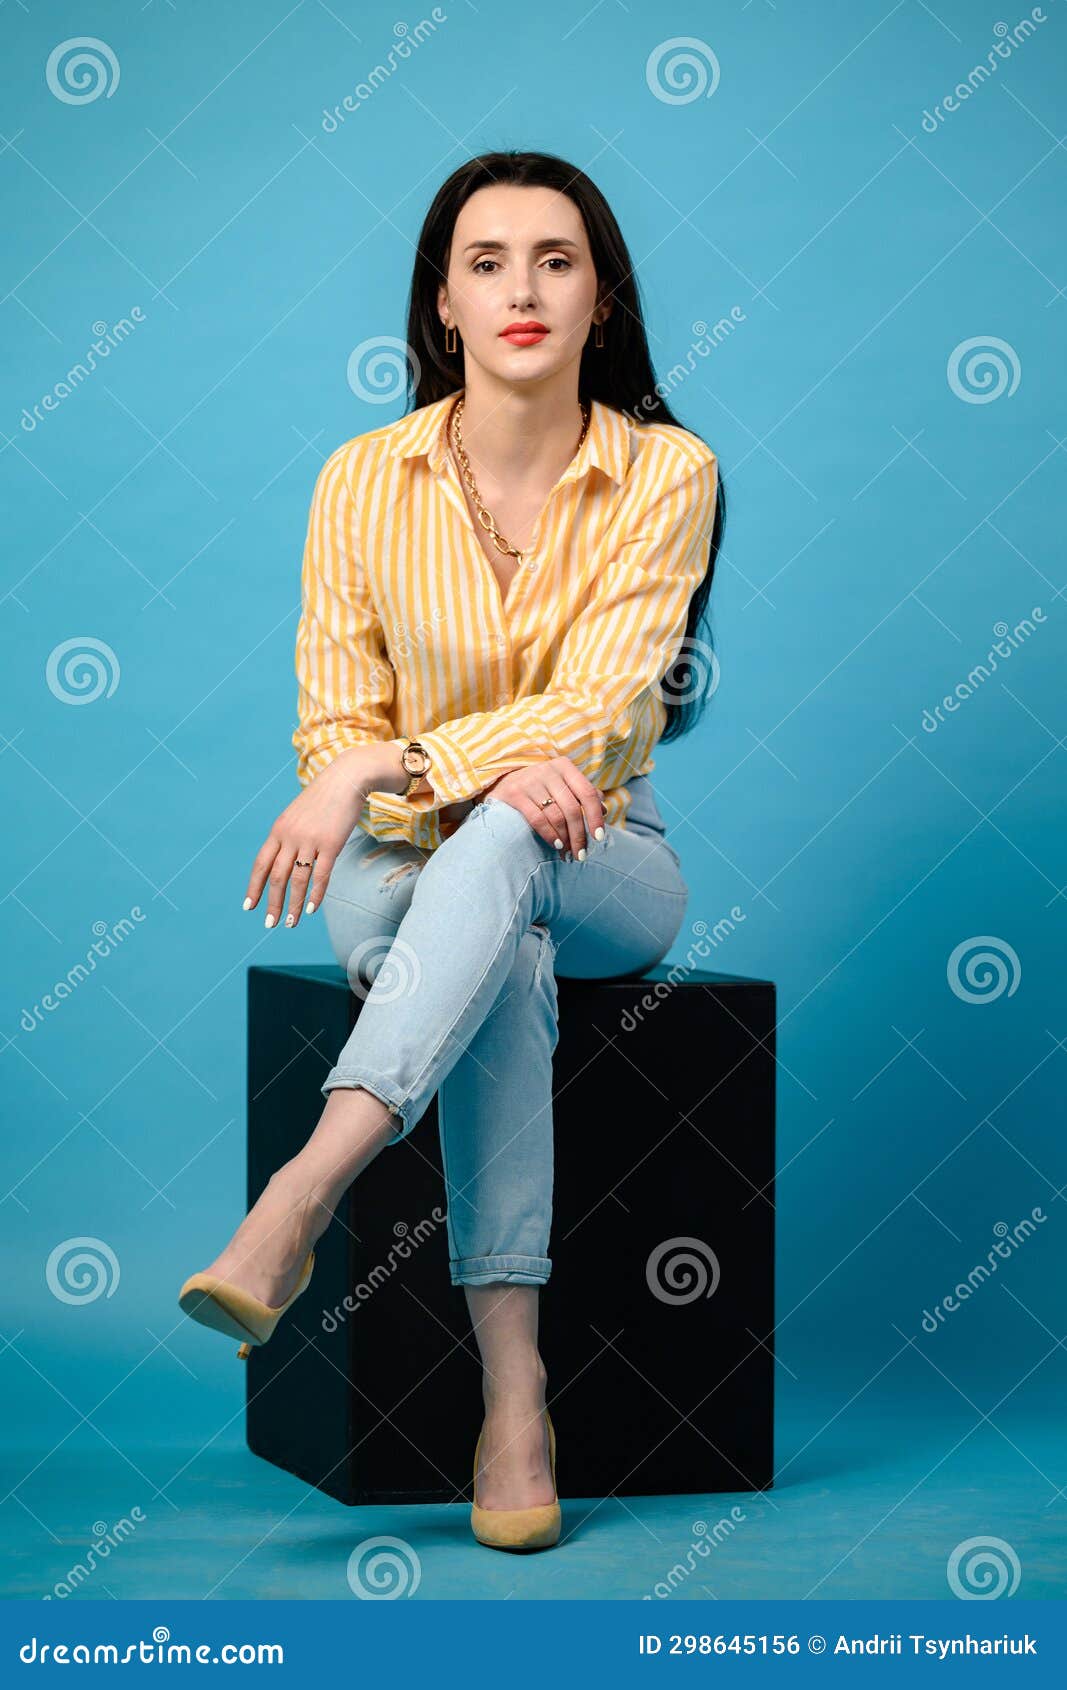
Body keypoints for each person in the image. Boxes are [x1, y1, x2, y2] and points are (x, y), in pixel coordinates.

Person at [178, 149, 725, 1552]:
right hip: (398, 865)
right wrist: (401, 773)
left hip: (609, 854)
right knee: (499, 935)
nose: (523, 288)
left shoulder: (669, 472)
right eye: (488, 262)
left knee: (516, 863)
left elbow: (608, 714)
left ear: (602, 299)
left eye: (557, 259)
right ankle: (514, 1402)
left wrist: (397, 760)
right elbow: (330, 720)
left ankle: (300, 1195)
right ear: (443, 304)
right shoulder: (361, 480)